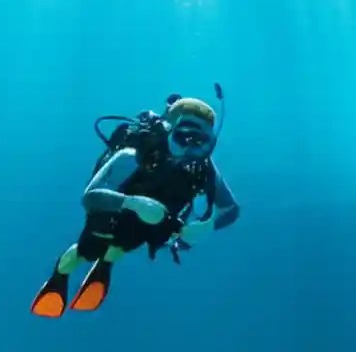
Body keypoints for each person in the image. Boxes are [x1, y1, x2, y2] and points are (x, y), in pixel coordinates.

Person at [30, 86, 241, 318]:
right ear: (168, 130)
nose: (190, 149)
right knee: (88, 248)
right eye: (183, 137)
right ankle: (59, 277)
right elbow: (90, 197)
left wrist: (208, 226)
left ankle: (104, 267)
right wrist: (132, 203)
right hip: (113, 213)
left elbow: (231, 210)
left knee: (123, 245)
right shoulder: (133, 157)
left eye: (201, 142)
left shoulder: (203, 169)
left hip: (150, 223)